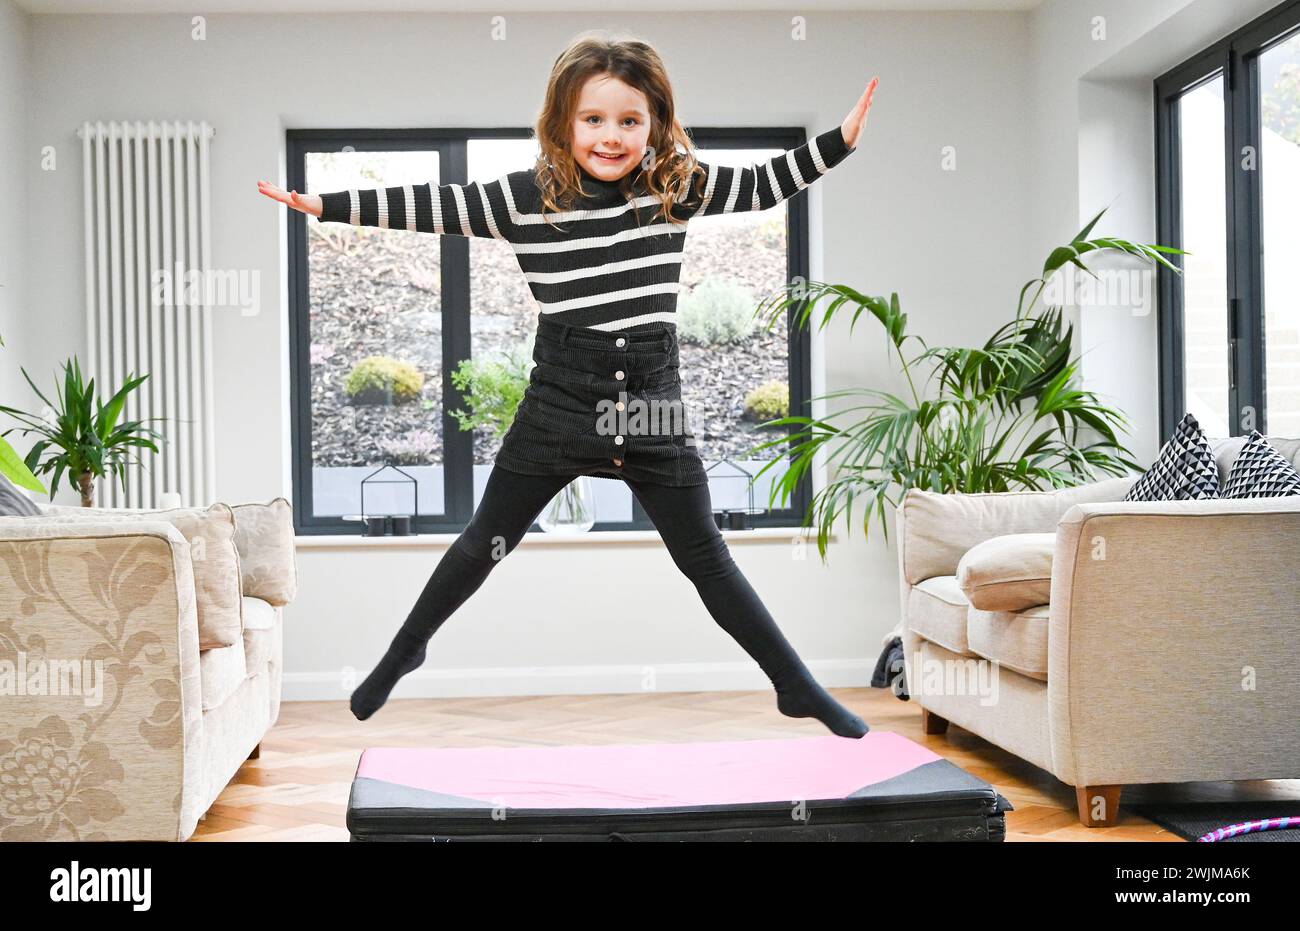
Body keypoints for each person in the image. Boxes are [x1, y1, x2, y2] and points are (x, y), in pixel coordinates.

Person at [259, 32, 879, 738]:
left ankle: (795, 685)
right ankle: (406, 649)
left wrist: (840, 141)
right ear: (563, 122)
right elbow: (434, 204)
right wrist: (324, 205)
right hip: (560, 402)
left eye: (629, 121)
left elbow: (767, 183)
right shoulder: (526, 199)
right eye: (593, 120)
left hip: (652, 403)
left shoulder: (674, 187)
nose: (610, 137)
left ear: (655, 125)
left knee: (705, 554)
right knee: (484, 540)